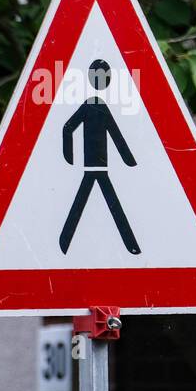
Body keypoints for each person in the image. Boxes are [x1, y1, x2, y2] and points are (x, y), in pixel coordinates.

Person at [59, 59, 141, 254]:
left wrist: (129, 160)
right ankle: (132, 246)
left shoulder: (97, 106)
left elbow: (113, 133)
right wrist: (69, 157)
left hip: (96, 166)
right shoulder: (93, 106)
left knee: (93, 203)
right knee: (108, 204)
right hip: (95, 166)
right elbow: (69, 128)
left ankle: (64, 243)